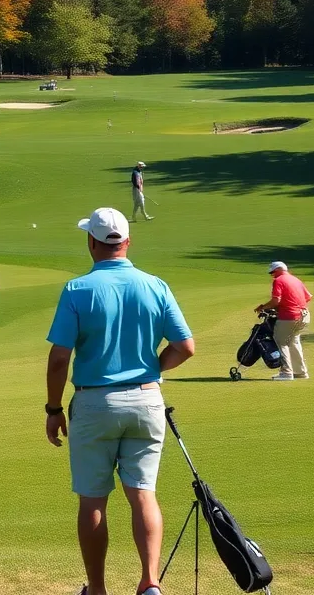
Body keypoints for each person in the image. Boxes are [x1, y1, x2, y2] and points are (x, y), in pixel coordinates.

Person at [45, 207, 195, 595]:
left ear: (91, 242)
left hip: (94, 403)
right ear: (127, 242)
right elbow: (185, 347)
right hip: (147, 401)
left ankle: (97, 589)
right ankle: (150, 583)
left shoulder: (77, 289)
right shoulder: (155, 285)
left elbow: (60, 358)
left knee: (93, 498)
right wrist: (152, 369)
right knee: (143, 493)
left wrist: (53, 408)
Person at [256, 261, 312, 380]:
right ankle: (301, 372)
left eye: (273, 272)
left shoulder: (279, 280)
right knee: (294, 341)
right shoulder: (296, 280)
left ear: (279, 269)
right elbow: (308, 297)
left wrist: (263, 307)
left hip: (290, 316)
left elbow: (276, 301)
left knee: (281, 341)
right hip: (304, 315)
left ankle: (286, 373)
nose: (272, 275)